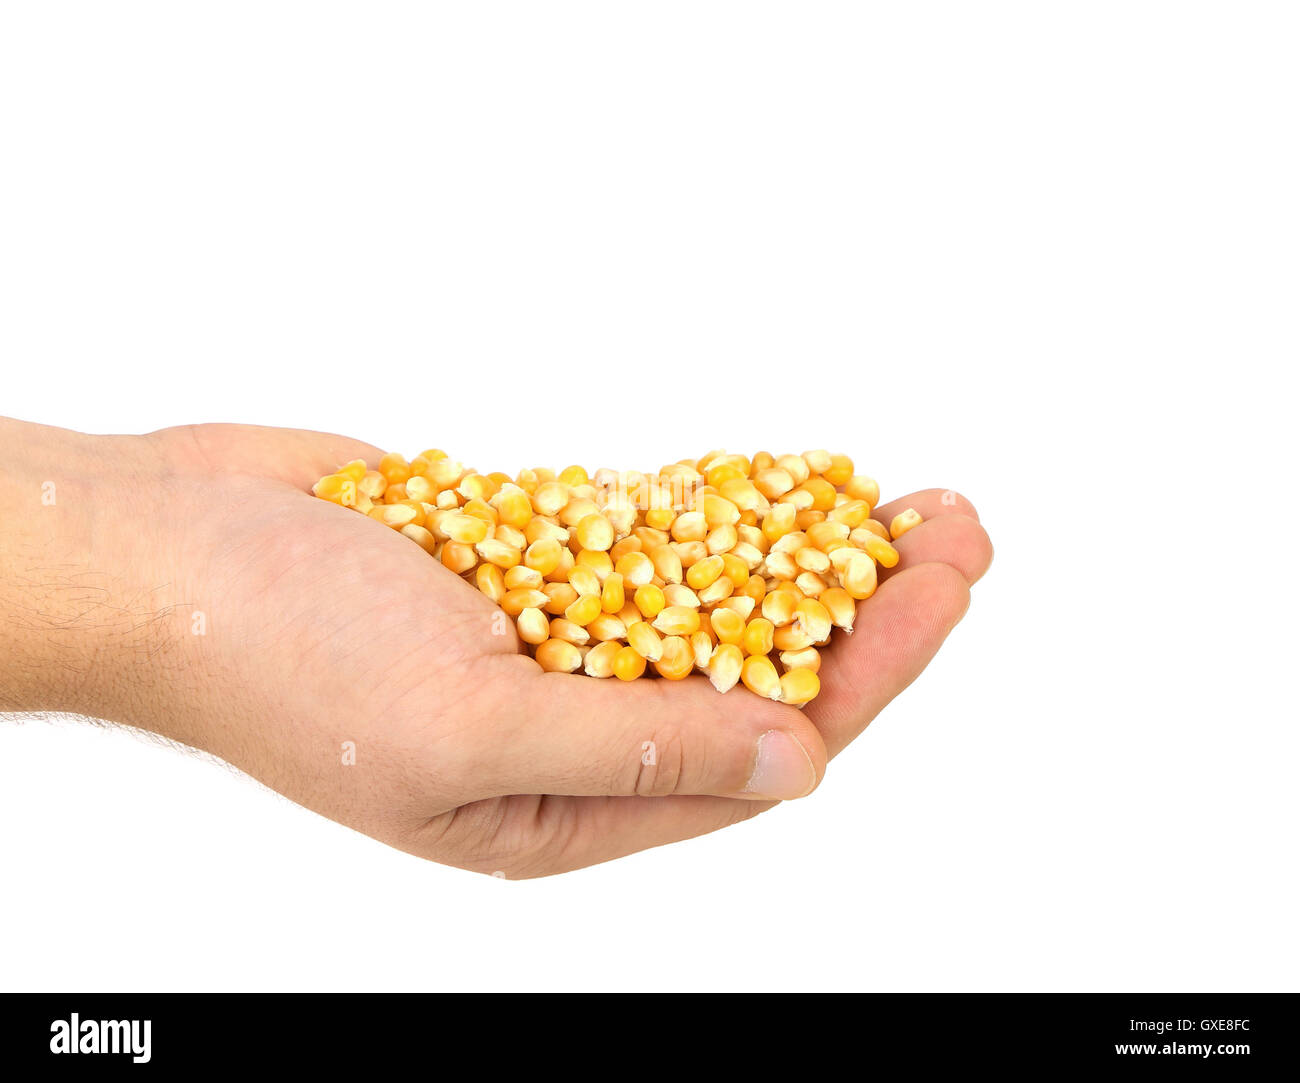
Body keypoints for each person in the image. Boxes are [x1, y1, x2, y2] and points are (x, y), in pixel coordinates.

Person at [0, 417, 992, 876]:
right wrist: (167, 555)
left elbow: (621, 547)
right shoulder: (471, 532)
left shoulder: (740, 552)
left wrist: (151, 515)